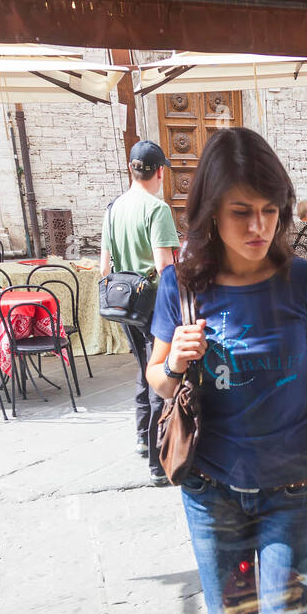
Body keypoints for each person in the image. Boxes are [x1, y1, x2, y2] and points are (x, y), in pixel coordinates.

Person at [146, 127, 307, 614]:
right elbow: (155, 380)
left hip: (292, 489)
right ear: (211, 212)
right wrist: (177, 361)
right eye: (242, 212)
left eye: (270, 211)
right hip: (211, 491)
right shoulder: (180, 285)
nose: (259, 227)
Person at [99, 138, 179, 487]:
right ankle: (158, 461)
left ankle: (141, 440)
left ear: (132, 169)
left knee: (142, 368)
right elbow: (165, 266)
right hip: (155, 305)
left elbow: (104, 267)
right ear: (159, 171)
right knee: (161, 376)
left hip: (124, 303)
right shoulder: (157, 209)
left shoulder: (113, 207)